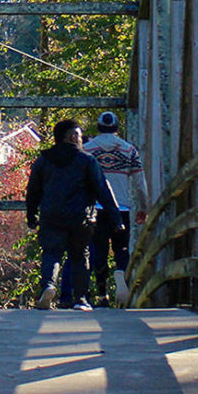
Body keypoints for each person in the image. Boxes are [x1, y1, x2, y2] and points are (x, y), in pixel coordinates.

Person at [25, 119, 122, 311]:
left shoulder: (43, 160)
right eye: (79, 134)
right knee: (79, 256)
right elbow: (103, 189)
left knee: (51, 253)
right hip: (81, 218)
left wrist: (31, 214)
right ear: (72, 136)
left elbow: (33, 190)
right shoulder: (87, 160)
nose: (81, 138)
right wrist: (116, 218)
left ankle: (49, 286)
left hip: (51, 216)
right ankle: (81, 299)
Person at [83, 111, 149, 305]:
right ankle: (121, 271)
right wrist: (143, 207)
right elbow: (140, 182)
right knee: (121, 247)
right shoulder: (129, 150)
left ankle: (102, 293)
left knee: (99, 249)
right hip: (122, 208)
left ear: (98, 127)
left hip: (96, 208)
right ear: (117, 128)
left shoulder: (88, 150)